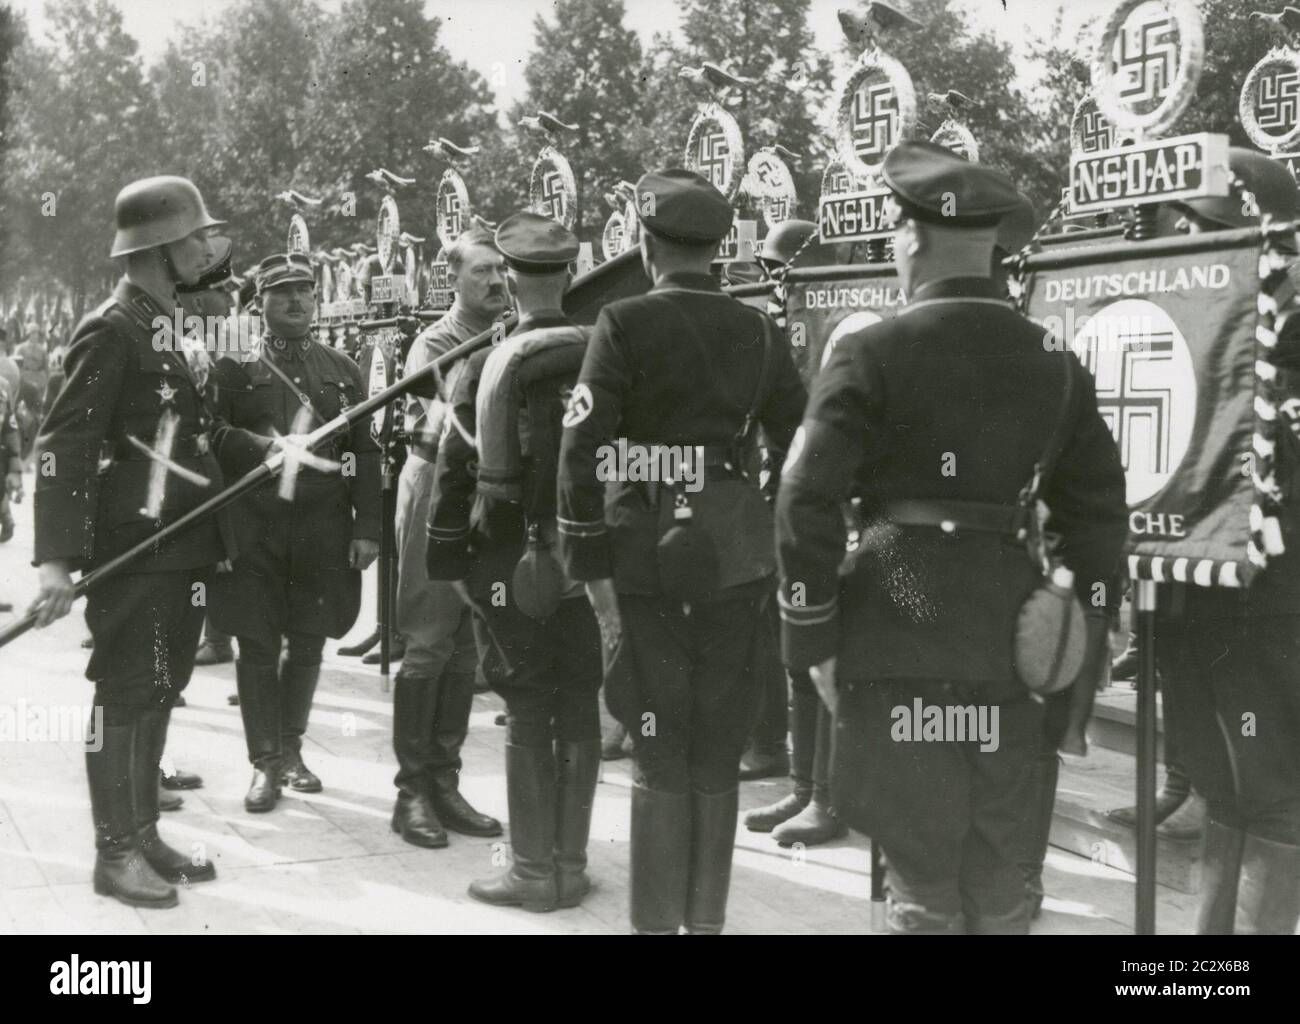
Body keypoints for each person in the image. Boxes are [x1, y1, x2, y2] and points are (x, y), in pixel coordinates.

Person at [775, 141, 1127, 934]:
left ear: (913, 236)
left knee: (919, 887)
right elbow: (1098, 517)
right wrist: (1080, 623)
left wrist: (814, 638)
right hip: (1013, 643)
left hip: (892, 631)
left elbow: (804, 498)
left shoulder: (870, 351)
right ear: (995, 246)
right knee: (1003, 884)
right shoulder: (1056, 362)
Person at [557, 168, 807, 934]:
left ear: (644, 240)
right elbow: (799, 435)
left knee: (658, 741)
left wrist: (589, 558)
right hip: (735, 555)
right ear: (719, 246)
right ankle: (705, 927)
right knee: (719, 744)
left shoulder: (625, 322)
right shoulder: (761, 330)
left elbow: (583, 445)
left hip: (643, 555)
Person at [30, 176, 271, 908]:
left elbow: (185, 436)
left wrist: (258, 448)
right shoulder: (112, 326)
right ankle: (114, 853)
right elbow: (64, 444)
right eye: (197, 235)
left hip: (186, 542)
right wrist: (54, 564)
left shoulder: (165, 321)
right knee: (125, 694)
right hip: (135, 546)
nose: (209, 246)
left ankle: (142, 832)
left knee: (162, 688)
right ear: (161, 246)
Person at [426, 211, 601, 911]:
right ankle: (570, 862)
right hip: (588, 559)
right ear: (569, 273)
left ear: (513, 278)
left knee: (527, 707)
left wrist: (448, 561)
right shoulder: (602, 355)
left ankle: (531, 872)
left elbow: (455, 471)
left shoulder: (481, 364)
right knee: (580, 701)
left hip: (510, 558)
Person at [1148, 149, 1300, 933]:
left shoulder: (1291, 321)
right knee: (1221, 781)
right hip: (1191, 594)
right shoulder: (1193, 317)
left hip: (1270, 602)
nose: (1184, 240)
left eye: (1203, 227)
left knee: (1271, 789)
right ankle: (1208, 967)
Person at [209, 252, 380, 812]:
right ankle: (264, 763)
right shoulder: (234, 367)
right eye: (283, 292)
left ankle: (291, 748)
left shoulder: (343, 368)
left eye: (305, 290)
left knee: (307, 642)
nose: (298, 301)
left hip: (321, 529)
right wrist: (261, 448)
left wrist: (367, 525)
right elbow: (209, 435)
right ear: (259, 304)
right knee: (256, 643)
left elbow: (362, 451)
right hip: (255, 525)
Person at [388, 227, 506, 847]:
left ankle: (445, 780)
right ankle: (411, 792)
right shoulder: (434, 342)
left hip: (481, 499)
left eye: (500, 272)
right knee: (429, 643)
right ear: (453, 278)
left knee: (464, 647)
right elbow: (440, 426)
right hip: (437, 491)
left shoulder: (510, 331)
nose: (494, 282)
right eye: (481, 271)